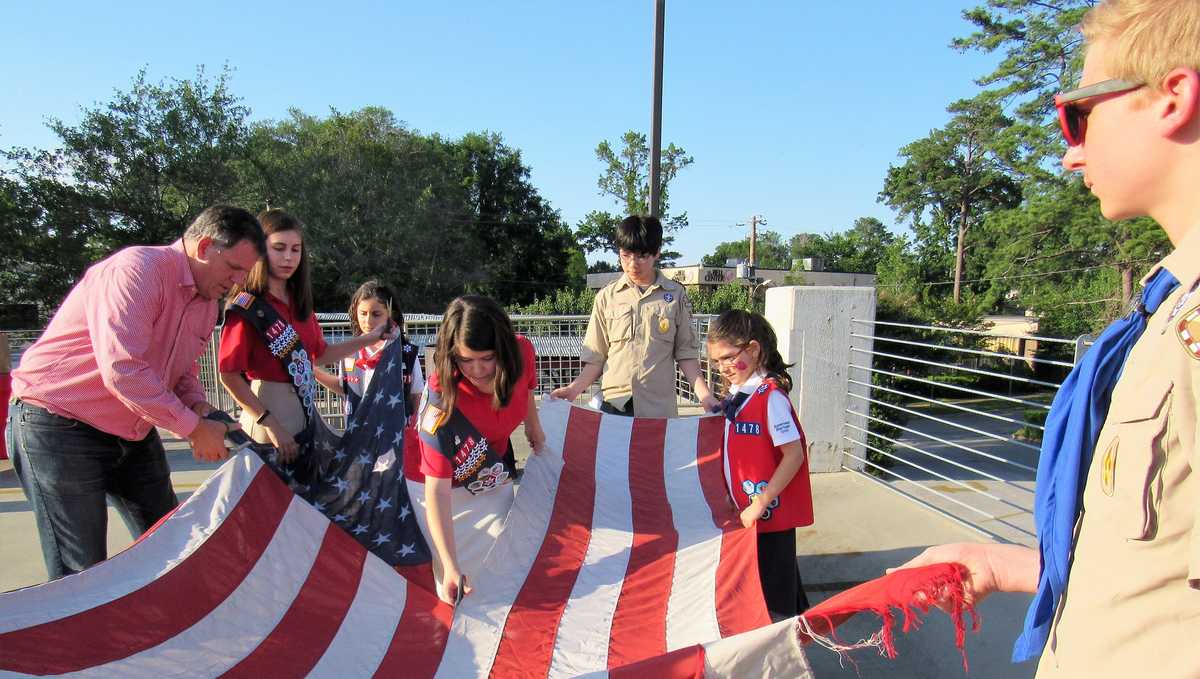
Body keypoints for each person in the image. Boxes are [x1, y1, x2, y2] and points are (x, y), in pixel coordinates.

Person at [896, 2, 1200, 675]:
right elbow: (1159, 568)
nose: (1070, 152)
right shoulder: (1169, 309)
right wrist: (1003, 563)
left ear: (1173, 98)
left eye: (1078, 114)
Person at [7, 205, 265, 579]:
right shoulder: (137, 270)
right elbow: (123, 370)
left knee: (172, 543)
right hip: (58, 424)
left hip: (132, 429)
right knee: (81, 570)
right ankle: (89, 637)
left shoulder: (206, 305)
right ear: (205, 246)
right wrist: (193, 428)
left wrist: (199, 407)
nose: (238, 281)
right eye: (235, 269)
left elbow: (183, 374)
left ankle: (165, 632)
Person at [217, 209, 390, 464]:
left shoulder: (299, 303)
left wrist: (371, 337)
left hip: (304, 413)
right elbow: (228, 374)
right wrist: (271, 424)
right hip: (268, 419)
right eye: (279, 248)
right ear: (260, 249)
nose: (288, 257)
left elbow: (319, 354)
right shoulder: (247, 305)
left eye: (295, 249)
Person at [411, 295, 546, 604]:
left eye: (487, 358)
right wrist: (449, 565)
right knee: (453, 585)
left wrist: (532, 425)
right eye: (465, 360)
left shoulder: (522, 351)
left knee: (502, 553)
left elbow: (525, 388)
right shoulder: (441, 403)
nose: (477, 369)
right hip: (438, 488)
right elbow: (437, 493)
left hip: (490, 472)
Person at [551, 215, 718, 417]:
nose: (632, 264)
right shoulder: (606, 297)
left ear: (657, 253)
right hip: (614, 407)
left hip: (657, 409)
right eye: (625, 255)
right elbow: (596, 357)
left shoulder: (675, 295)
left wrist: (705, 396)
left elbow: (687, 355)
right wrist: (573, 390)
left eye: (641, 256)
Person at [708, 309, 813, 619]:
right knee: (776, 583)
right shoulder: (741, 395)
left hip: (768, 514)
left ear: (753, 349)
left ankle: (785, 649)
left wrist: (760, 502)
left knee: (774, 596)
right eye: (716, 361)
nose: (723, 367)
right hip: (752, 511)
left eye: (728, 357)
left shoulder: (771, 398)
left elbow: (793, 455)